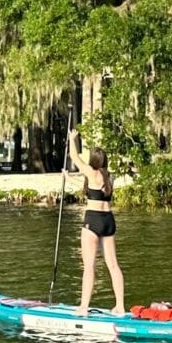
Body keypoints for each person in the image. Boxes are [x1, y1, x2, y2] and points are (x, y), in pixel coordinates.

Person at [67, 127, 126, 316]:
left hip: (92, 221)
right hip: (108, 221)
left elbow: (74, 157)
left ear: (93, 161)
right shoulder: (109, 176)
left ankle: (83, 307)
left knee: (89, 266)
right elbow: (95, 192)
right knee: (113, 265)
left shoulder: (90, 172)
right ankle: (120, 306)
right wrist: (68, 178)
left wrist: (72, 139)